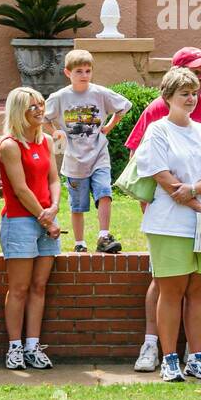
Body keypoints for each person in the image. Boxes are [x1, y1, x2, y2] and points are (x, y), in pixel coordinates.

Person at [125, 47, 201, 372]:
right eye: (184, 93)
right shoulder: (157, 130)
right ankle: (169, 359)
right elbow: (163, 178)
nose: (191, 98)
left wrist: (195, 193)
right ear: (168, 96)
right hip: (170, 224)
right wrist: (197, 204)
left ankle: (196, 357)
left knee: (199, 290)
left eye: (194, 93)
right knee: (171, 290)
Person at [0, 87, 62, 370]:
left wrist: (55, 208)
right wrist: (46, 218)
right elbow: (21, 190)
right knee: (20, 287)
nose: (39, 110)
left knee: (39, 286)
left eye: (41, 104)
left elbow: (55, 180)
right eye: (31, 106)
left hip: (47, 221)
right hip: (21, 221)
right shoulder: (10, 145)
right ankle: (15, 348)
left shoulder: (46, 140)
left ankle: (33, 346)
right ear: (18, 111)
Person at [44, 49, 132, 254]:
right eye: (79, 71)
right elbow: (44, 117)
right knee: (78, 205)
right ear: (68, 73)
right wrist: (56, 132)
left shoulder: (99, 93)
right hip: (74, 160)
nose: (84, 75)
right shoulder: (60, 97)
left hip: (99, 155)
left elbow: (123, 106)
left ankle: (103, 235)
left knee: (105, 193)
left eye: (88, 71)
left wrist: (109, 126)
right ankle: (80, 242)